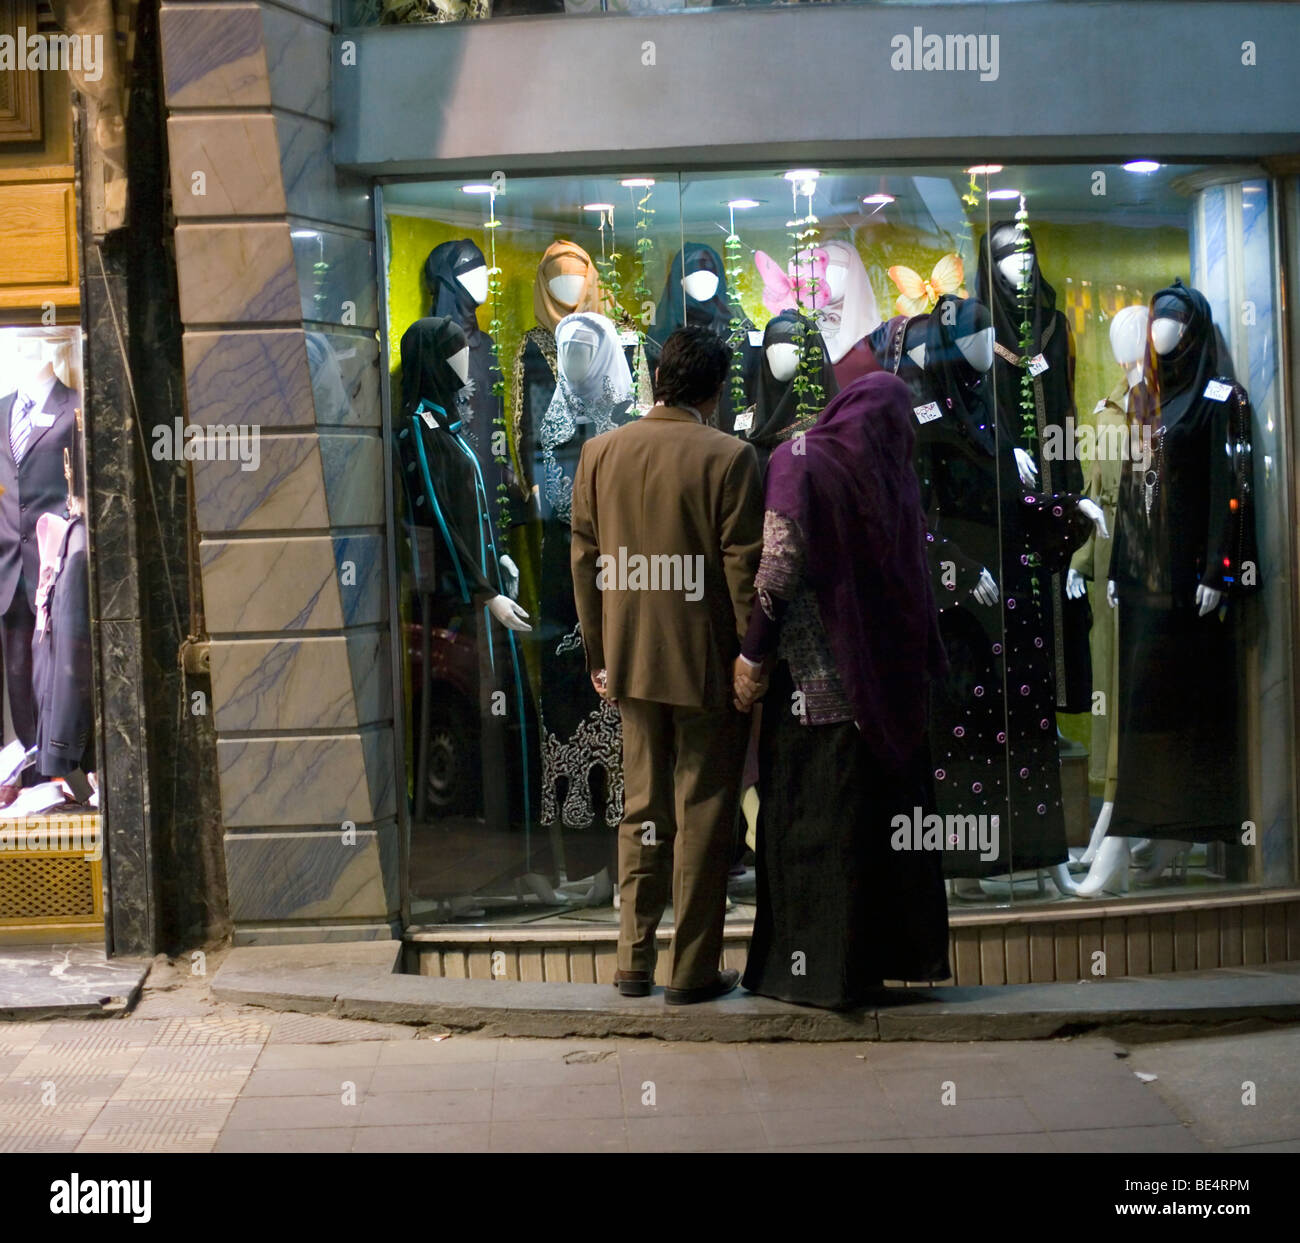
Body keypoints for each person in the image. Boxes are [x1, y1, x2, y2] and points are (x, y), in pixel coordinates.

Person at [734, 371, 951, 1009]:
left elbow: (776, 568)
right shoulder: (887, 473)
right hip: (884, 695)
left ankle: (809, 974)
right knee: (868, 833)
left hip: (812, 691)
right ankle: (862, 969)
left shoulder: (799, 461)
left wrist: (751, 655)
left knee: (812, 830)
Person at [570, 326, 763, 1004]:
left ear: (656, 375)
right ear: (714, 389)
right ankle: (691, 971)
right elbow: (744, 571)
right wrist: (751, 657)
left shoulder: (600, 452)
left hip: (630, 664)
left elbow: (586, 561)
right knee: (706, 813)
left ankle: (631, 962)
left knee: (642, 811)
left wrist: (600, 655)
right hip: (706, 665)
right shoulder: (732, 458)